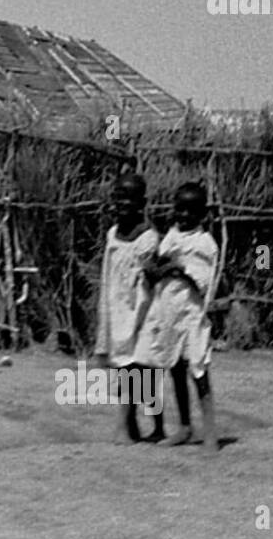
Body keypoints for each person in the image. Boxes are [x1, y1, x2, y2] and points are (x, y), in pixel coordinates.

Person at [143, 181, 219, 455]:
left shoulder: (205, 244)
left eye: (190, 211)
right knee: (174, 366)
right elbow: (158, 267)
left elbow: (202, 281)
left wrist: (178, 266)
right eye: (180, 209)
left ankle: (210, 432)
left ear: (203, 214)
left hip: (192, 314)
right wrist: (160, 266)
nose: (183, 215)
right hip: (169, 312)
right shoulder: (171, 237)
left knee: (198, 368)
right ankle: (185, 427)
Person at [94, 173, 164, 443]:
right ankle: (131, 425)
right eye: (117, 197)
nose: (122, 203)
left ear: (142, 203)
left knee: (142, 367)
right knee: (125, 366)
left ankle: (139, 426)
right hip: (118, 307)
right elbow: (109, 272)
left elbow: (151, 276)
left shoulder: (148, 238)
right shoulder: (113, 234)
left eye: (129, 199)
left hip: (142, 310)